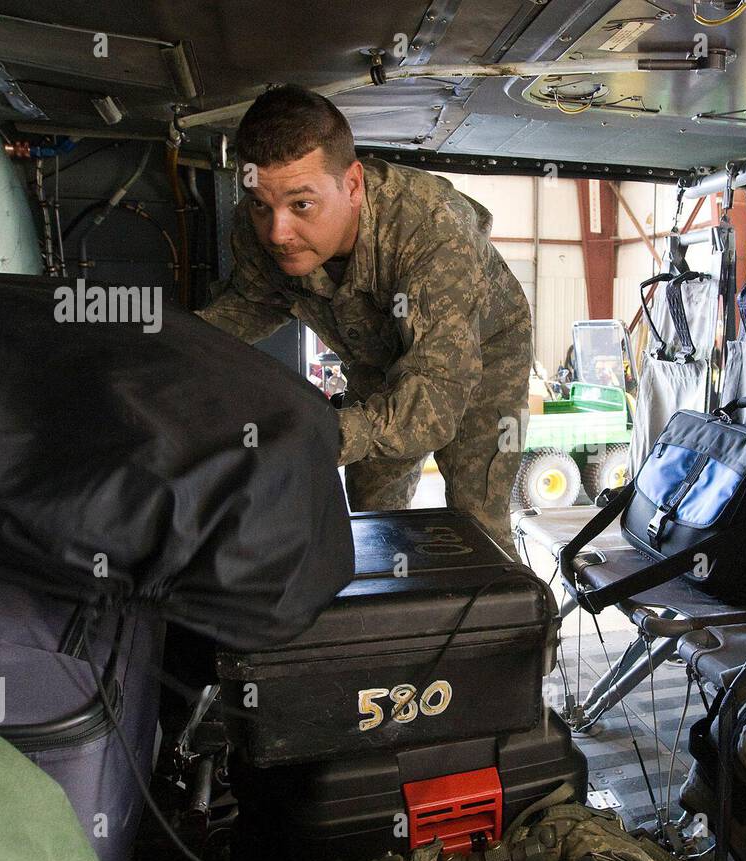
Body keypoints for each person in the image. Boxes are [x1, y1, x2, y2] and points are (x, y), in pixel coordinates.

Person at [198, 84, 531, 556]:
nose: (277, 232)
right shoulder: (258, 230)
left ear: (351, 185)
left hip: (477, 359)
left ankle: (514, 626)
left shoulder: (433, 229)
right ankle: (394, 616)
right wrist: (168, 357)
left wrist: (321, 434)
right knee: (372, 514)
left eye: (301, 205)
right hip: (377, 361)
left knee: (476, 521)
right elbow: (249, 306)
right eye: (259, 204)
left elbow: (435, 400)